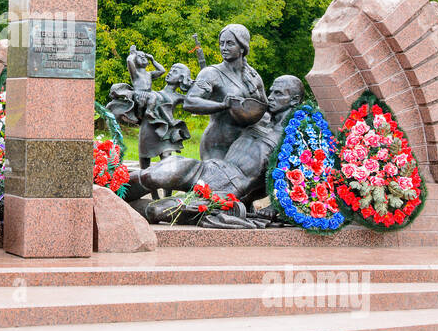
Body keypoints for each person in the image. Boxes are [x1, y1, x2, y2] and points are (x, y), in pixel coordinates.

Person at [123, 75, 304, 224]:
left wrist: (273, 207)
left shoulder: (293, 137)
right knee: (154, 174)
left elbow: (296, 178)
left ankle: (121, 213)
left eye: (278, 94)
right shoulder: (258, 117)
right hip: (210, 167)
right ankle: (104, 194)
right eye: (271, 91)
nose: (270, 97)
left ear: (294, 100)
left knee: (157, 211)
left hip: (228, 188)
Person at [183, 23, 268, 161]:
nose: (224, 48)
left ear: (242, 48)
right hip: (218, 146)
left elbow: (266, 108)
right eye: (221, 43)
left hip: (247, 148)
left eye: (229, 43)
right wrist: (222, 105)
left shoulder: (253, 76)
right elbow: (189, 102)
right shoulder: (211, 73)